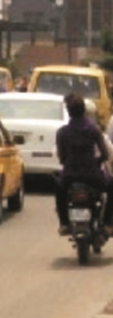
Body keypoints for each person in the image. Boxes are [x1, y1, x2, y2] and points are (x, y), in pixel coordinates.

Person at [54, 93, 112, 234]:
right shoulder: (93, 130)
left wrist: (68, 163)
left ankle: (64, 224)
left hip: (70, 175)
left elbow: (61, 157)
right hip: (92, 175)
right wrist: (97, 162)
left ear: (68, 112)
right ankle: (107, 224)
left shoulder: (63, 132)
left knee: (59, 189)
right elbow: (105, 153)